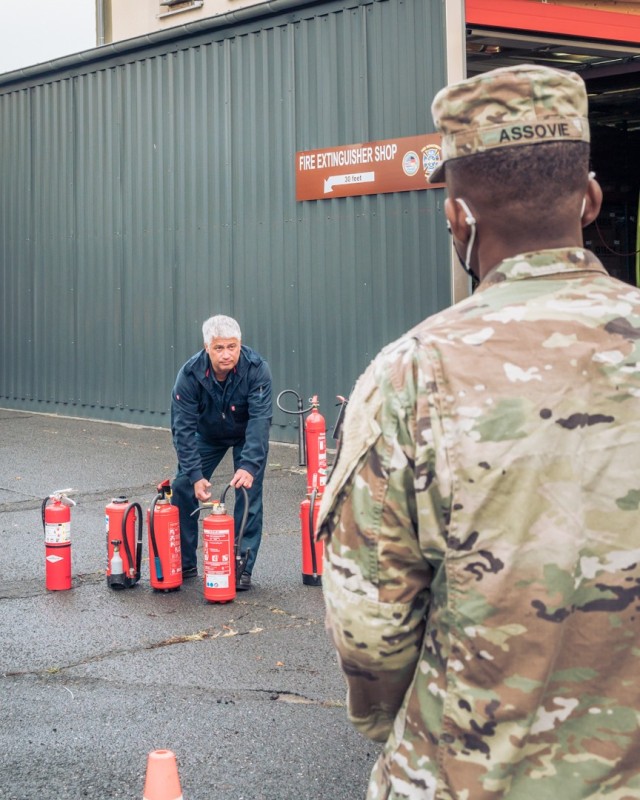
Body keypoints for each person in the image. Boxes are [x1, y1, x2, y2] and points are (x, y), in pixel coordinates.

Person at [317, 64, 640, 799]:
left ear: (456, 217)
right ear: (590, 200)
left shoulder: (411, 377)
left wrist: (391, 719)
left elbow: (370, 633)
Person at [171, 314, 272, 590]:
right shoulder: (189, 375)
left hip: (245, 435)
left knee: (248, 490)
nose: (226, 354)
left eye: (232, 347)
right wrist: (194, 475)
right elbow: (182, 429)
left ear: (240, 344)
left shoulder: (256, 369)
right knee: (182, 485)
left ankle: (241, 565)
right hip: (207, 434)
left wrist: (249, 465)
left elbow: (260, 421)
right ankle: (186, 562)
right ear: (207, 347)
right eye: (219, 348)